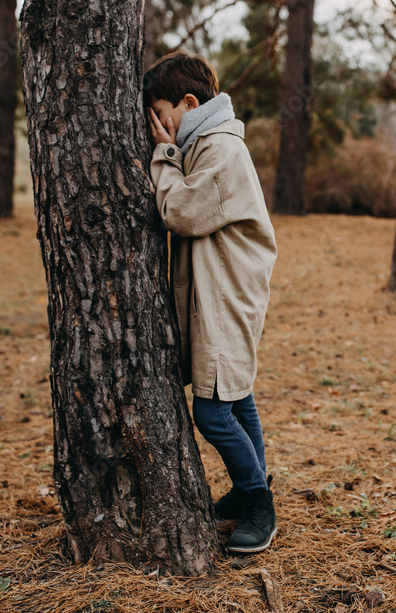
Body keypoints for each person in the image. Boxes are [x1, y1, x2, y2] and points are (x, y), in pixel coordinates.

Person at [144, 51, 278, 553]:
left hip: (228, 296)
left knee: (212, 411)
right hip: (221, 291)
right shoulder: (207, 144)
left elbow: (181, 210)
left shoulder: (220, 149)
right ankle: (252, 491)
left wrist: (163, 158)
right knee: (236, 396)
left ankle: (258, 503)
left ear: (190, 102)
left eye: (164, 115)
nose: (161, 127)